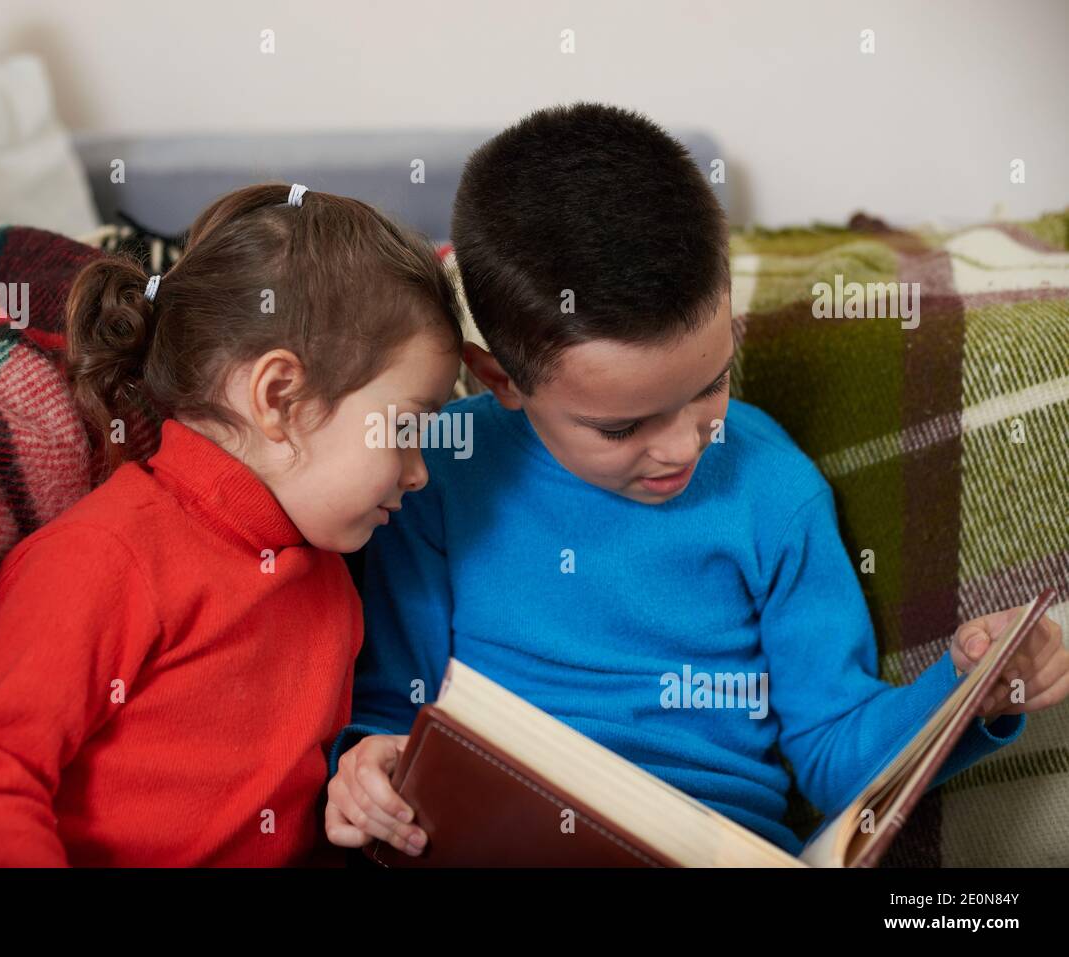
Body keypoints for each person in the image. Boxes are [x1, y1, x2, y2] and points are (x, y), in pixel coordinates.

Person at [323, 104, 1069, 859]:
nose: (685, 446)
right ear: (500, 379)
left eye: (711, 385)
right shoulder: (431, 476)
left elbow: (836, 749)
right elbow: (393, 713)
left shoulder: (774, 490)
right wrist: (366, 768)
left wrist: (970, 691)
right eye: (622, 427)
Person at [0, 183, 463, 866]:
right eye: (408, 428)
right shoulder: (105, 556)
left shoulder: (333, 580)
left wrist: (358, 778)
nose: (420, 473)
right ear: (279, 396)